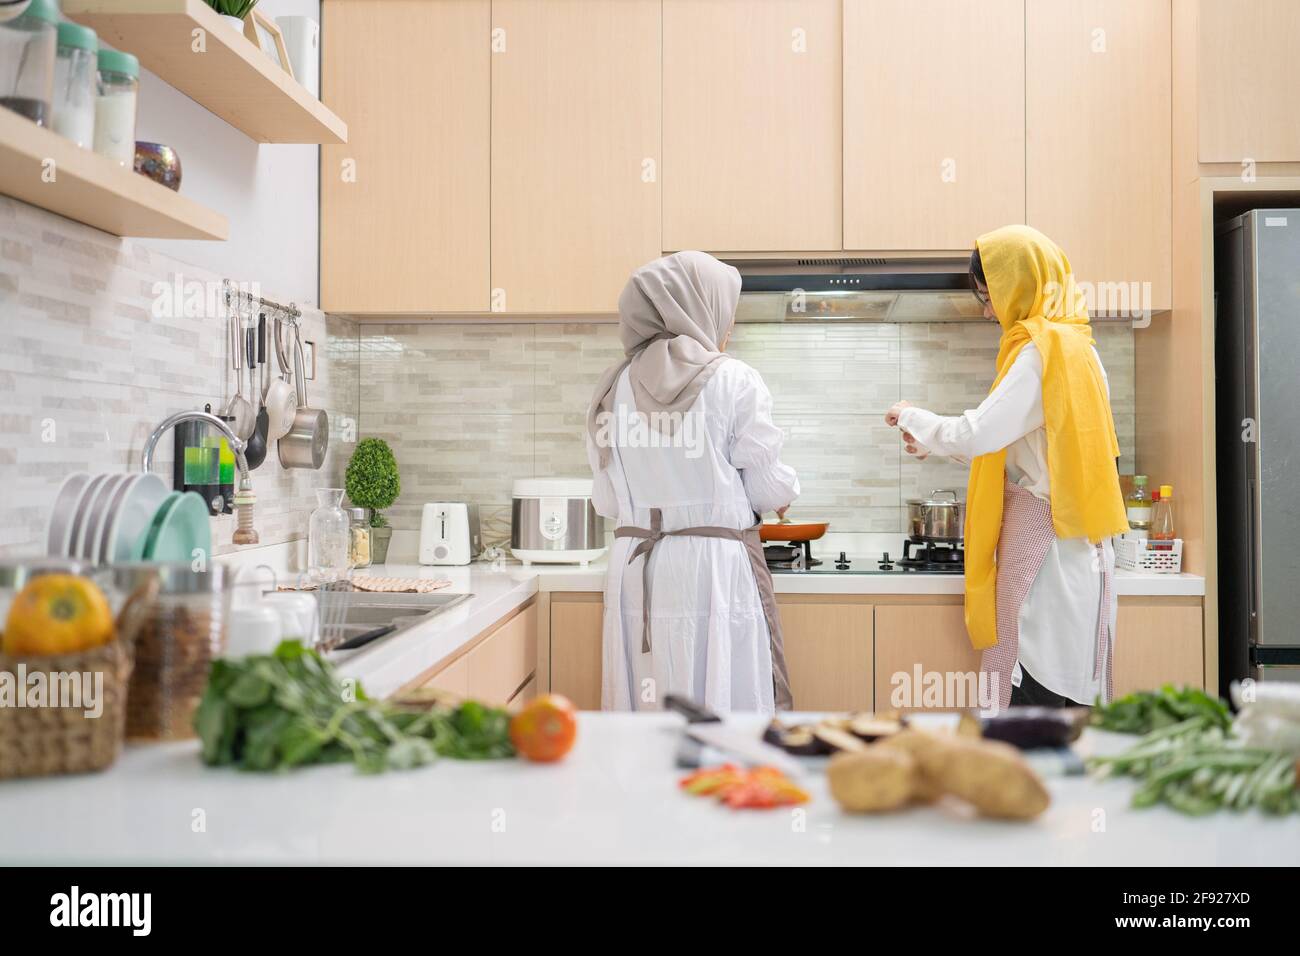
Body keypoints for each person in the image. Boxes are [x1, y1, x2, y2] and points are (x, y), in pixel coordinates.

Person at [885, 225, 1129, 709]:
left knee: (1031, 708)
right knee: (1068, 716)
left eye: (990, 294)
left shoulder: (1042, 353)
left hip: (1047, 562)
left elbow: (981, 434)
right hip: (1079, 555)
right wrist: (933, 443)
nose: (988, 309)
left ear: (1022, 282)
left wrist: (913, 415)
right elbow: (1020, 445)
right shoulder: (1080, 348)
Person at [586, 251, 799, 714]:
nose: (730, 326)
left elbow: (606, 500)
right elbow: (768, 488)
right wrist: (779, 496)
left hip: (634, 567)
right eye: (728, 312)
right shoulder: (735, 378)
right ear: (698, 308)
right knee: (723, 701)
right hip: (714, 568)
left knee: (645, 706)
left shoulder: (611, 387)